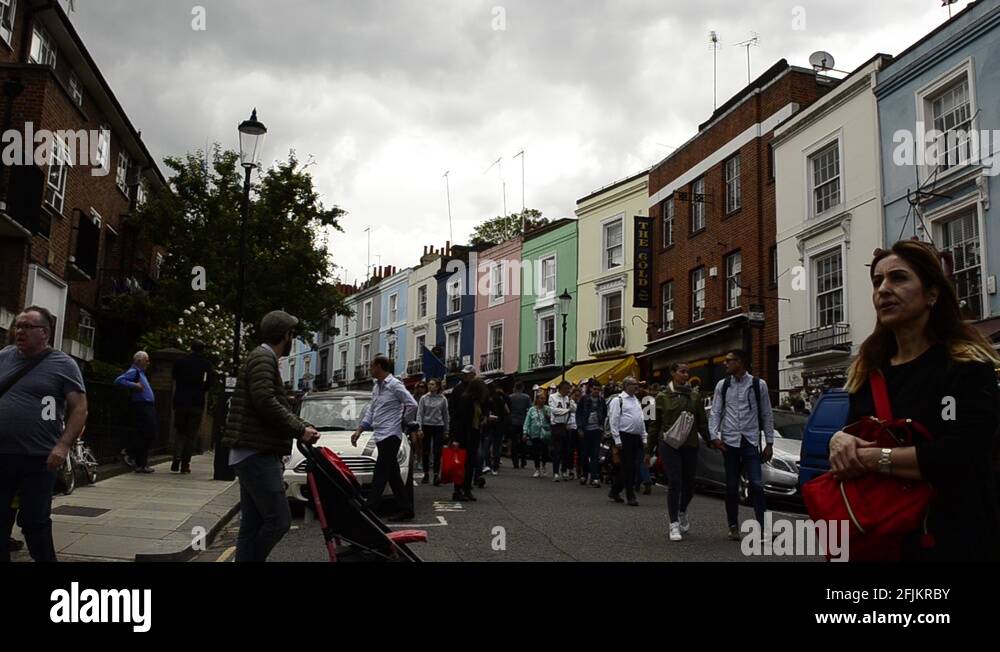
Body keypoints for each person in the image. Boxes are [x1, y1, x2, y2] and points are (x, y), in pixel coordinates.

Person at [829, 241, 1000, 561]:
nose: (884, 289)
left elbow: (963, 453)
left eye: (898, 278)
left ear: (932, 294)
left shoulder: (966, 367)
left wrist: (874, 458)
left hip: (956, 541)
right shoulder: (867, 374)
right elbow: (854, 438)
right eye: (878, 281)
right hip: (885, 543)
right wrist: (838, 440)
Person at [222, 310, 320, 562]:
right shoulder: (263, 359)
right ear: (284, 335)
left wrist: (302, 424)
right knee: (279, 520)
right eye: (292, 334)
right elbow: (265, 401)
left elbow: (273, 402)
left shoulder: (262, 359)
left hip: (251, 452)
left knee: (251, 526)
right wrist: (299, 430)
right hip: (256, 453)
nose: (293, 339)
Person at [0, 306, 87, 563]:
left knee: (34, 521)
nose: (19, 331)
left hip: (39, 457)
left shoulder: (63, 364)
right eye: (18, 325)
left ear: (44, 333)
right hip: (2, 454)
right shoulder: (3, 356)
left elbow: (79, 408)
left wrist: (62, 446)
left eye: (27, 327)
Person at [708, 349, 775, 540]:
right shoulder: (723, 385)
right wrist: (714, 437)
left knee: (756, 484)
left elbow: (766, 414)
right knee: (730, 486)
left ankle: (763, 529)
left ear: (740, 362)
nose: (725, 363)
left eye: (729, 360)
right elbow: (715, 412)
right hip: (729, 441)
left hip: (750, 440)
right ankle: (733, 526)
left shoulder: (758, 384)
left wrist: (769, 442)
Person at [352, 355, 419, 520]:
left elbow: (412, 404)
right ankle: (406, 509)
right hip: (380, 434)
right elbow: (371, 410)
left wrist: (403, 421)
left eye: (372, 366)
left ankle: (370, 508)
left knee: (380, 472)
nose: (370, 369)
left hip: (391, 435)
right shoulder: (377, 387)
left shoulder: (395, 384)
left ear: (380, 367)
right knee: (393, 474)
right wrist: (360, 429)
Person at [652, 363, 709, 541]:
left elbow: (702, 422)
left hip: (690, 444)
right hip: (668, 444)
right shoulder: (662, 396)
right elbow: (655, 425)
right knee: (675, 481)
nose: (685, 375)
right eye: (682, 372)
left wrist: (711, 441)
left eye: (687, 372)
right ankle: (673, 523)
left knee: (690, 484)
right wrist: (648, 450)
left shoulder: (694, 396)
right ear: (673, 373)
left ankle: (682, 510)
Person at [170, 340, 214, 474]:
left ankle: (176, 458)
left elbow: (174, 377)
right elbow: (208, 384)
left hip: (181, 401)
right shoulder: (206, 365)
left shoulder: (180, 362)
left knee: (180, 431)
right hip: (196, 403)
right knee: (191, 434)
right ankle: (185, 463)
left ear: (191, 348)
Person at [115, 351, 157, 473]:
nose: (148, 362)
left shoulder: (141, 373)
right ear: (139, 361)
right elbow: (119, 380)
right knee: (147, 433)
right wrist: (135, 385)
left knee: (147, 434)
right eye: (146, 360)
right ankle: (130, 453)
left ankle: (141, 463)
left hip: (147, 406)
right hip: (142, 406)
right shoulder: (135, 372)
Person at [607, 377, 647, 506]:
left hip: (636, 437)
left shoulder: (636, 400)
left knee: (631, 467)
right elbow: (614, 420)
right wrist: (617, 439)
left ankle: (614, 490)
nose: (636, 387)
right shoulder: (618, 400)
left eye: (637, 384)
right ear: (626, 386)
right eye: (633, 384)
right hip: (624, 437)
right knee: (628, 467)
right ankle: (631, 496)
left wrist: (644, 436)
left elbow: (641, 420)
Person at [450, 378, 489, 501]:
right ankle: (458, 490)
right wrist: (455, 438)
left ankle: (466, 489)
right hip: (464, 436)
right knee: (461, 464)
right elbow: (460, 421)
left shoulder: (477, 402)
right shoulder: (466, 400)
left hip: (473, 435)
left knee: (470, 464)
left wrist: (483, 419)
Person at [416, 379, 448, 486]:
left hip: (438, 426)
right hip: (426, 425)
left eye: (433, 384)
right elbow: (420, 414)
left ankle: (435, 474)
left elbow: (445, 415)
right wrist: (419, 428)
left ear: (438, 386)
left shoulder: (443, 399)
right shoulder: (424, 398)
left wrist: (446, 430)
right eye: (429, 384)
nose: (430, 386)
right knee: (426, 450)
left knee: (437, 451)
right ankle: (426, 473)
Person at [576, 382, 607, 487]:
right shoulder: (584, 399)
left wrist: (602, 427)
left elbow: (604, 414)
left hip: (597, 430)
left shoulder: (602, 401)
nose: (596, 391)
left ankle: (594, 477)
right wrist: (579, 428)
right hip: (586, 430)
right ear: (590, 389)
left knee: (595, 454)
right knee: (584, 454)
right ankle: (584, 475)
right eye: (594, 389)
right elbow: (578, 413)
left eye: (598, 389)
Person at [548, 381, 573, 482]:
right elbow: (554, 410)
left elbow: (573, 409)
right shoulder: (553, 397)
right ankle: (556, 472)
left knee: (566, 450)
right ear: (561, 388)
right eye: (567, 388)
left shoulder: (568, 398)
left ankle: (563, 470)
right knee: (557, 450)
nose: (568, 391)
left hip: (566, 425)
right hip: (557, 426)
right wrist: (567, 411)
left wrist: (572, 404)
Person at [524, 393, 552, 479]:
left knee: (545, 451)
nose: (543, 400)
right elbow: (527, 421)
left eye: (544, 398)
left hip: (545, 433)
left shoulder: (548, 409)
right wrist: (525, 432)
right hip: (534, 433)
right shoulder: (531, 410)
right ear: (536, 399)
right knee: (535, 451)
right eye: (541, 398)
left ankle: (543, 466)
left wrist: (548, 417)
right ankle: (537, 469)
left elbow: (552, 420)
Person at [484, 385, 510, 475]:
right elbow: (507, 411)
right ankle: (495, 467)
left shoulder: (486, 400)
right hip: (499, 425)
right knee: (496, 447)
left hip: (489, 425)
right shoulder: (501, 399)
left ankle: (488, 465)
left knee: (486, 446)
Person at [636, 385, 656, 495]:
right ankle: (639, 482)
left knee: (638, 459)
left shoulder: (637, 403)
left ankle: (644, 480)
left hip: (638, 433)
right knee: (642, 458)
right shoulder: (650, 402)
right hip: (648, 434)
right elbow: (652, 421)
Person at [508, 382, 532, 469]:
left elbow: (508, 409)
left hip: (513, 421)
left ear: (515, 387)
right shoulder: (527, 397)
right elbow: (530, 409)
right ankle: (523, 461)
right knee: (523, 442)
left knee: (514, 442)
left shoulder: (510, 397)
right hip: (523, 421)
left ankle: (515, 463)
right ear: (522, 388)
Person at [564, 387, 581, 480]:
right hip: (571, 427)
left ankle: (579, 469)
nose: (577, 397)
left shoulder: (581, 403)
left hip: (578, 428)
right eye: (576, 395)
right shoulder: (569, 402)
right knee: (570, 449)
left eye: (579, 395)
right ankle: (570, 469)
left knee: (580, 450)